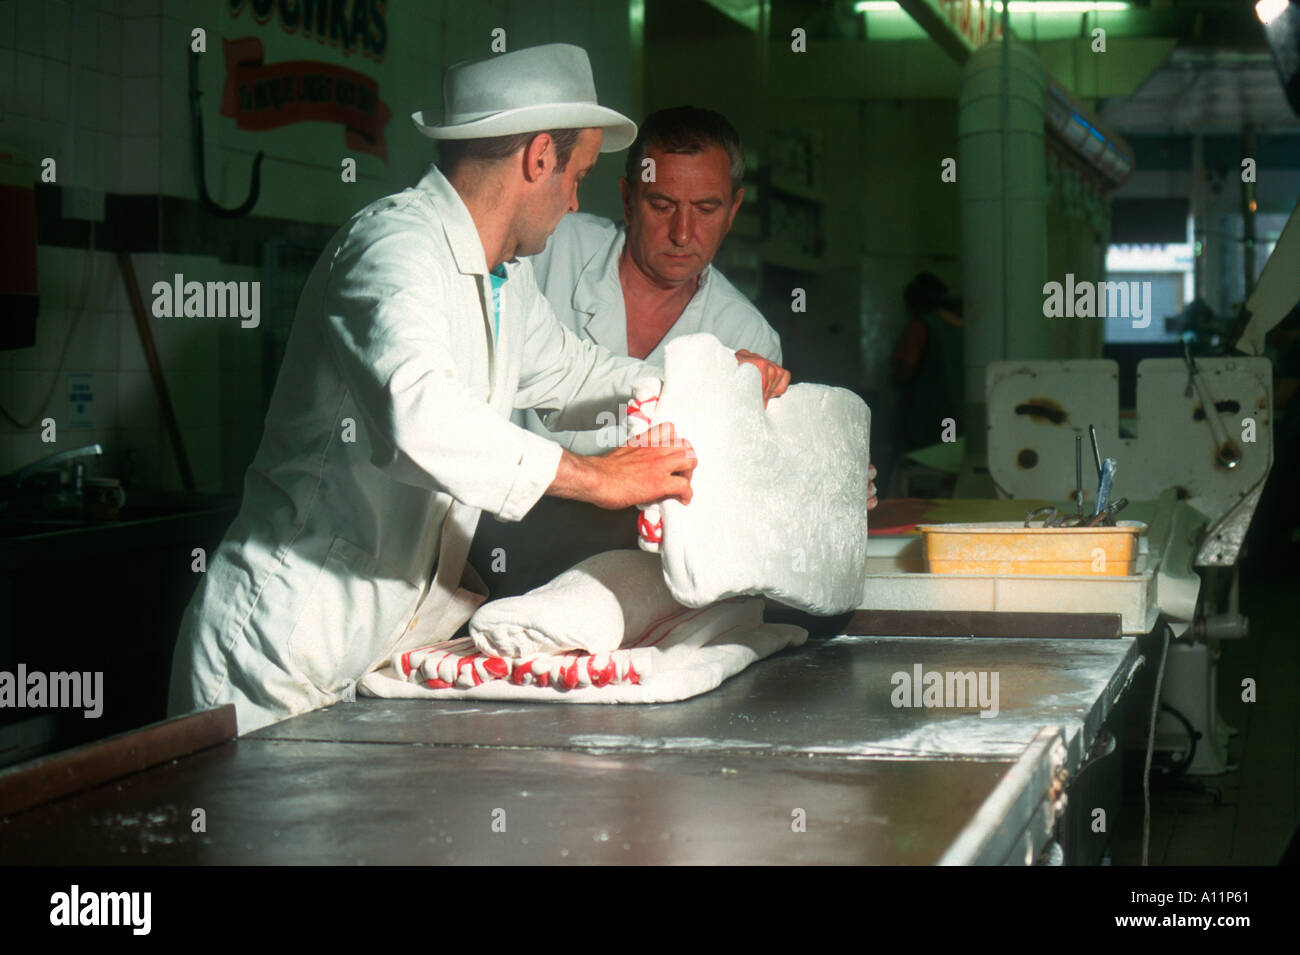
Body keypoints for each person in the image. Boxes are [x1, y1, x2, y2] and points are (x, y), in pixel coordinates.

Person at [167, 44, 788, 734]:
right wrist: (595, 476)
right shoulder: (395, 248)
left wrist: (709, 382)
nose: (577, 199)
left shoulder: (503, 280)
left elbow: (574, 372)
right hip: (281, 651)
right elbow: (419, 412)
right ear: (539, 159)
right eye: (577, 175)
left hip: (383, 646)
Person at [469, 106, 793, 596]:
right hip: (475, 570)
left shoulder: (748, 338)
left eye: (705, 209)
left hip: (629, 597)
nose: (683, 233)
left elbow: (732, 504)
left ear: (733, 211)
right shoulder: (544, 249)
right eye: (662, 205)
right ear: (628, 199)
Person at [892, 271, 964, 456]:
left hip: (925, 423)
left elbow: (903, 374)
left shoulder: (920, 327)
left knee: (919, 474)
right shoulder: (963, 328)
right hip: (959, 419)